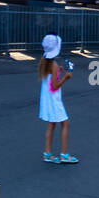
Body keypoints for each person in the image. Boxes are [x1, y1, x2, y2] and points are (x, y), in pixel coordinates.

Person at [38, 34, 76, 163]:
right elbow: (54, 86)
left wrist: (58, 71)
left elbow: (50, 79)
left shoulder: (45, 61)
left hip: (47, 99)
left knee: (51, 124)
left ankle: (47, 153)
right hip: (54, 99)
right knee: (65, 123)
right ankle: (64, 154)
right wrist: (66, 77)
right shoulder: (53, 64)